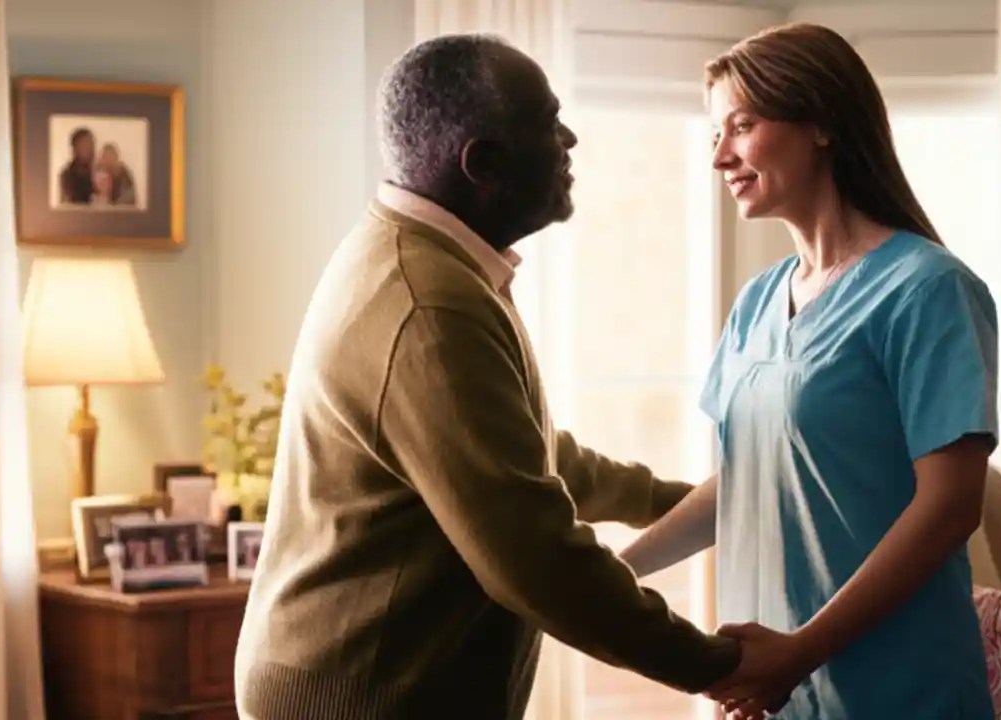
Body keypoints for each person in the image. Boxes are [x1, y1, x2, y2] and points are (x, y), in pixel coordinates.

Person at [234, 34, 781, 719]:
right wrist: (722, 665)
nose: (571, 139)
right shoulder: (429, 303)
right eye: (549, 123)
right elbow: (534, 557)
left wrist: (707, 506)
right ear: (484, 163)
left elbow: (534, 458)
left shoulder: (429, 263)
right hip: (367, 693)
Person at [621, 24, 998, 720]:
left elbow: (950, 507)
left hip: (899, 694)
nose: (720, 155)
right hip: (778, 695)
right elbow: (743, 479)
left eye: (742, 125)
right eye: (713, 133)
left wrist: (802, 650)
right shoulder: (758, 301)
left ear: (821, 122)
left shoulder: (927, 288)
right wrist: (612, 577)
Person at [58, 127, 95, 205]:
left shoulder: (99, 172)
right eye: (85, 145)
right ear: (75, 149)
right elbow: (66, 205)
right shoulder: (67, 175)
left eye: (91, 144)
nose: (90, 149)